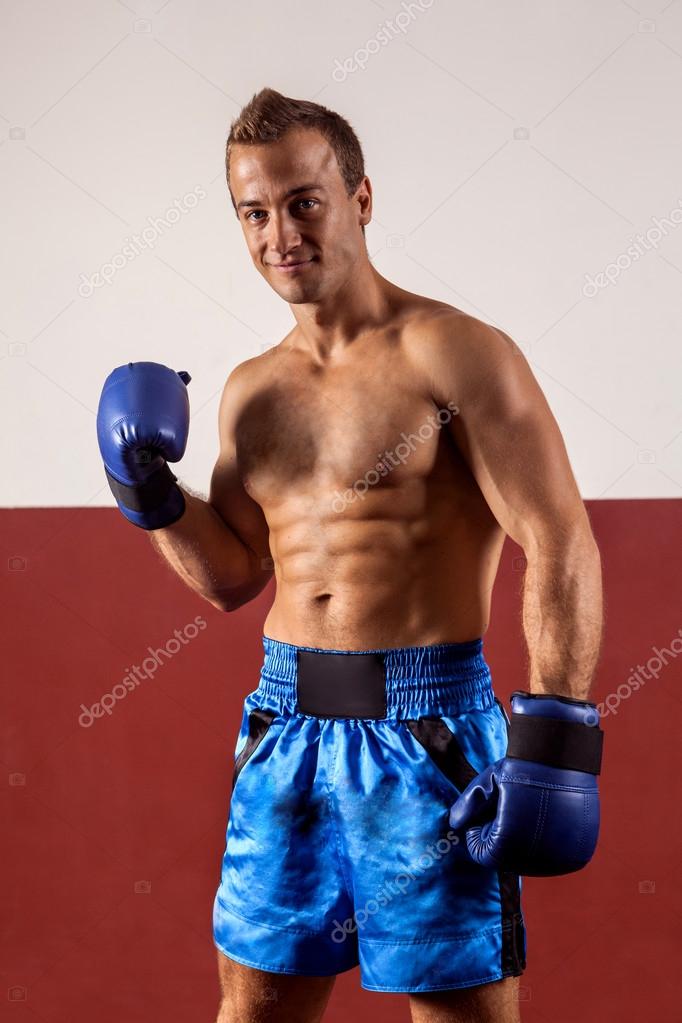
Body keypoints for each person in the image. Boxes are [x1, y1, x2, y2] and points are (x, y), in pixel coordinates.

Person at [96, 88, 604, 1023]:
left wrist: (557, 741)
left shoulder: (455, 354)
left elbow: (558, 536)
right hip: (282, 726)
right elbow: (233, 576)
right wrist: (151, 497)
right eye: (254, 212)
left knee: (459, 1015)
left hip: (428, 733)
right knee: (254, 1010)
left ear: (361, 199)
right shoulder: (252, 392)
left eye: (303, 201)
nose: (279, 233)